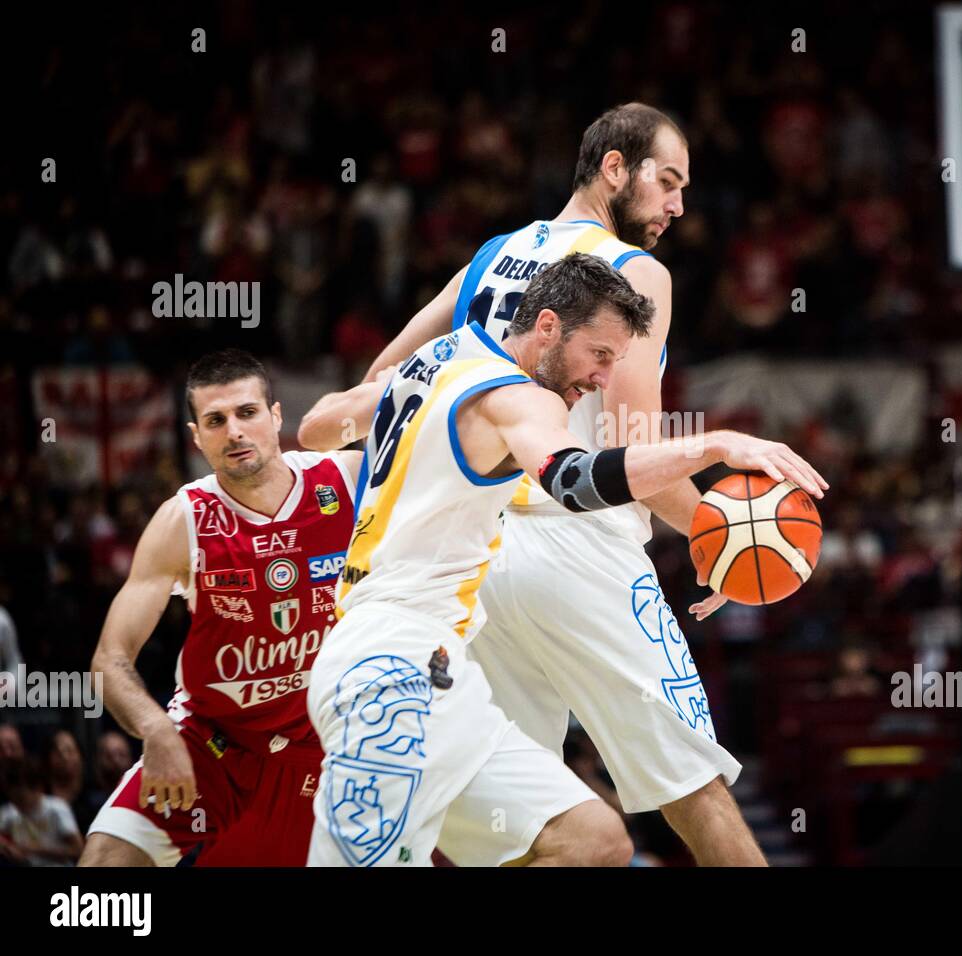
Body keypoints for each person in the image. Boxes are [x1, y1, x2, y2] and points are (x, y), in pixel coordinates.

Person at [302, 103, 771, 866]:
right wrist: (721, 540)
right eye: (669, 181)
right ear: (615, 169)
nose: (679, 205)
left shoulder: (491, 255)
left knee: (518, 828)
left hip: (477, 560)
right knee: (692, 783)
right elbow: (630, 451)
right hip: (578, 534)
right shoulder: (636, 272)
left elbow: (382, 379)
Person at [79, 350, 361, 866]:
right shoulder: (182, 519)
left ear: (277, 417)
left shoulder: (345, 479)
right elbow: (109, 659)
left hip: (331, 750)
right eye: (216, 420)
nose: (233, 431)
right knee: (103, 863)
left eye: (247, 413)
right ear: (196, 436)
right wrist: (156, 731)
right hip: (213, 748)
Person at [0, 756, 83, 866]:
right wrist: (8, 847)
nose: (17, 805)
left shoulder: (57, 809)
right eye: (13, 799)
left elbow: (77, 850)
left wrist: (34, 850)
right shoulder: (9, 811)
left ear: (38, 788)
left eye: (21, 799)